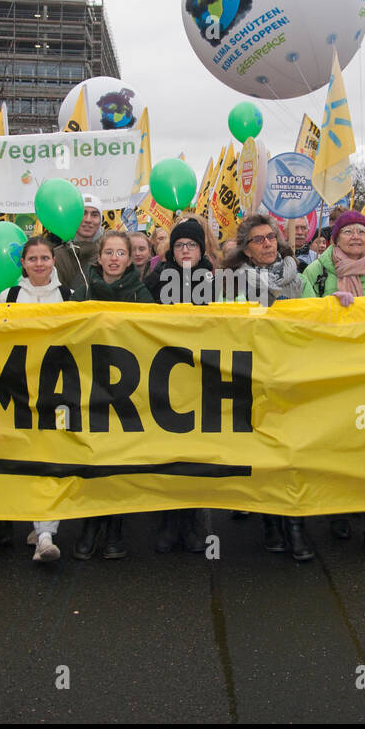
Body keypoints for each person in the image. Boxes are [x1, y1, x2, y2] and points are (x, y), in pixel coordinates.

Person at [301, 210, 365, 552]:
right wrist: (327, 307)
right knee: (337, 442)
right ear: (336, 238)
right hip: (331, 370)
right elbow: (301, 314)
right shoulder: (316, 272)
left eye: (362, 232)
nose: (356, 237)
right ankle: (339, 512)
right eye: (349, 232)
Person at [221, 215, 313, 560]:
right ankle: (271, 520)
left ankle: (295, 524)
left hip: (293, 371)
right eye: (258, 240)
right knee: (263, 450)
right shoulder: (232, 282)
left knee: (293, 450)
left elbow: (317, 317)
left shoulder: (300, 278)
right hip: (255, 374)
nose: (267, 244)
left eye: (271, 237)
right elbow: (226, 326)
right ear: (246, 250)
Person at [71, 229, 153, 561]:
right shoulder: (83, 290)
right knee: (92, 456)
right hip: (90, 384)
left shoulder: (141, 294)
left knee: (119, 457)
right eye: (109, 252)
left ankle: (116, 526)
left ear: (130, 258)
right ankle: (91, 524)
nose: (114, 258)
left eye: (121, 253)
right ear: (100, 257)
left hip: (128, 389)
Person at [0, 235, 73, 562]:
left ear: (53, 261)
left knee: (52, 458)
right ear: (23, 263)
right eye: (33, 258)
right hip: (19, 391)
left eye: (45, 258)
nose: (39, 264)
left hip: (58, 393)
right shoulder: (7, 297)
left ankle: (45, 534)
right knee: (28, 458)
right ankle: (39, 525)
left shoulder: (69, 298)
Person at [143, 219, 218, 553]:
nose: (185, 250)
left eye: (191, 245)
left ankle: (194, 521)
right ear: (171, 251)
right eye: (179, 245)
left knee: (198, 452)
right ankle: (169, 519)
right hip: (164, 377)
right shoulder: (154, 281)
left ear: (201, 249)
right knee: (168, 451)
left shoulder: (217, 282)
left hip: (203, 377)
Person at [53, 193, 102, 291]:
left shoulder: (109, 253)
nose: (88, 220)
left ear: (100, 220)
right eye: (83, 213)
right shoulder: (56, 255)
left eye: (94, 215)